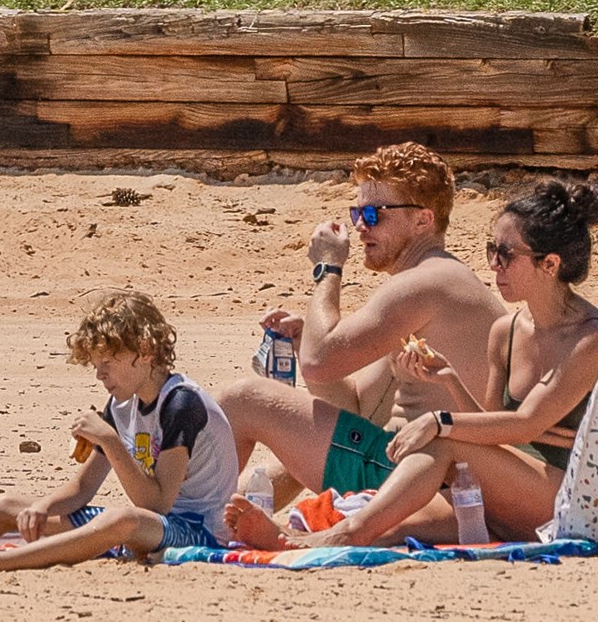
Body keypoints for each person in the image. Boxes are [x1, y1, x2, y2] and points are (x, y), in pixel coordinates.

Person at [222, 179, 598, 549]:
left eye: (505, 254)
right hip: (512, 484)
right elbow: (492, 425)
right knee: (398, 524)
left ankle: (336, 539)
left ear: (550, 265)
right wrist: (448, 380)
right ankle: (295, 538)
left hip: (568, 496)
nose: (493, 265)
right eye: (490, 250)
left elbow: (525, 424)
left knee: (439, 443)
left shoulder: (591, 338)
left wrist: (439, 420)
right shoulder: (508, 329)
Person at [215, 143, 504, 508]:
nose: (360, 227)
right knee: (292, 450)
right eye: (357, 213)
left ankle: (191, 518)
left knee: (242, 400)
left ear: (422, 220)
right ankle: (213, 514)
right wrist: (307, 337)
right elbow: (353, 405)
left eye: (373, 214)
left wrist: (328, 268)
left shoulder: (423, 285)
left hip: (419, 479)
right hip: (430, 475)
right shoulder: (440, 281)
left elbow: (321, 360)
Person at [0, 289, 238, 572]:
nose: (100, 375)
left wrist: (110, 441)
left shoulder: (180, 404)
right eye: (96, 365)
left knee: (122, 518)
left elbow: (155, 504)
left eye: (108, 363)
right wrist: (42, 507)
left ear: (144, 352)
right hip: (154, 525)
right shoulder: (122, 404)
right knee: (10, 506)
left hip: (199, 532)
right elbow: (83, 488)